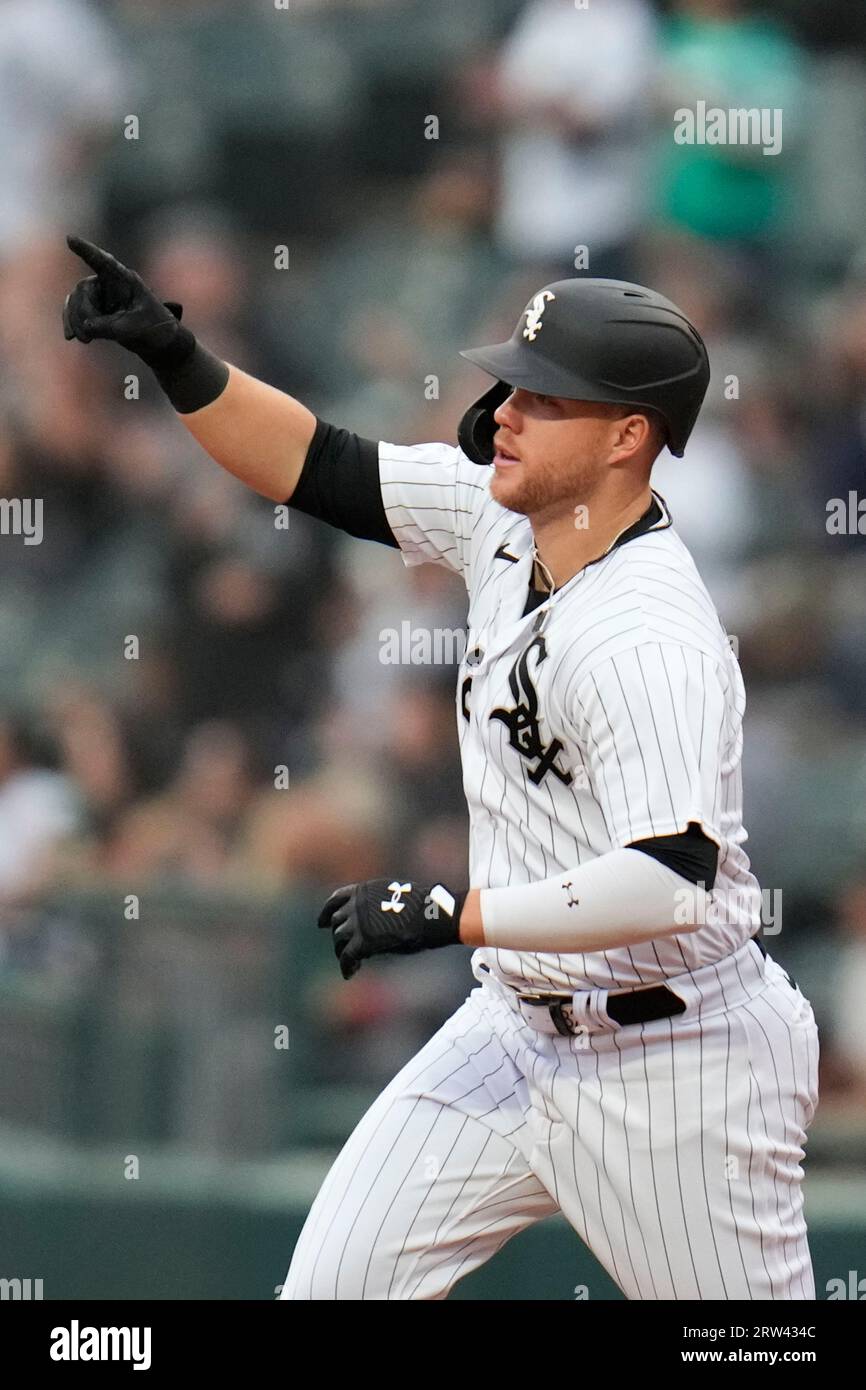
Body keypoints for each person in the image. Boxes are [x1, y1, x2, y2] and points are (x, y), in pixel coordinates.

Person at [63, 236, 819, 1300]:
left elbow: (667, 875)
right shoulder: (501, 521)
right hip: (512, 1030)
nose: (503, 407)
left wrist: (456, 914)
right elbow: (318, 465)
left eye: (543, 396)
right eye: (511, 382)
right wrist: (177, 357)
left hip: (677, 1062)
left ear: (627, 436)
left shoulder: (650, 636)